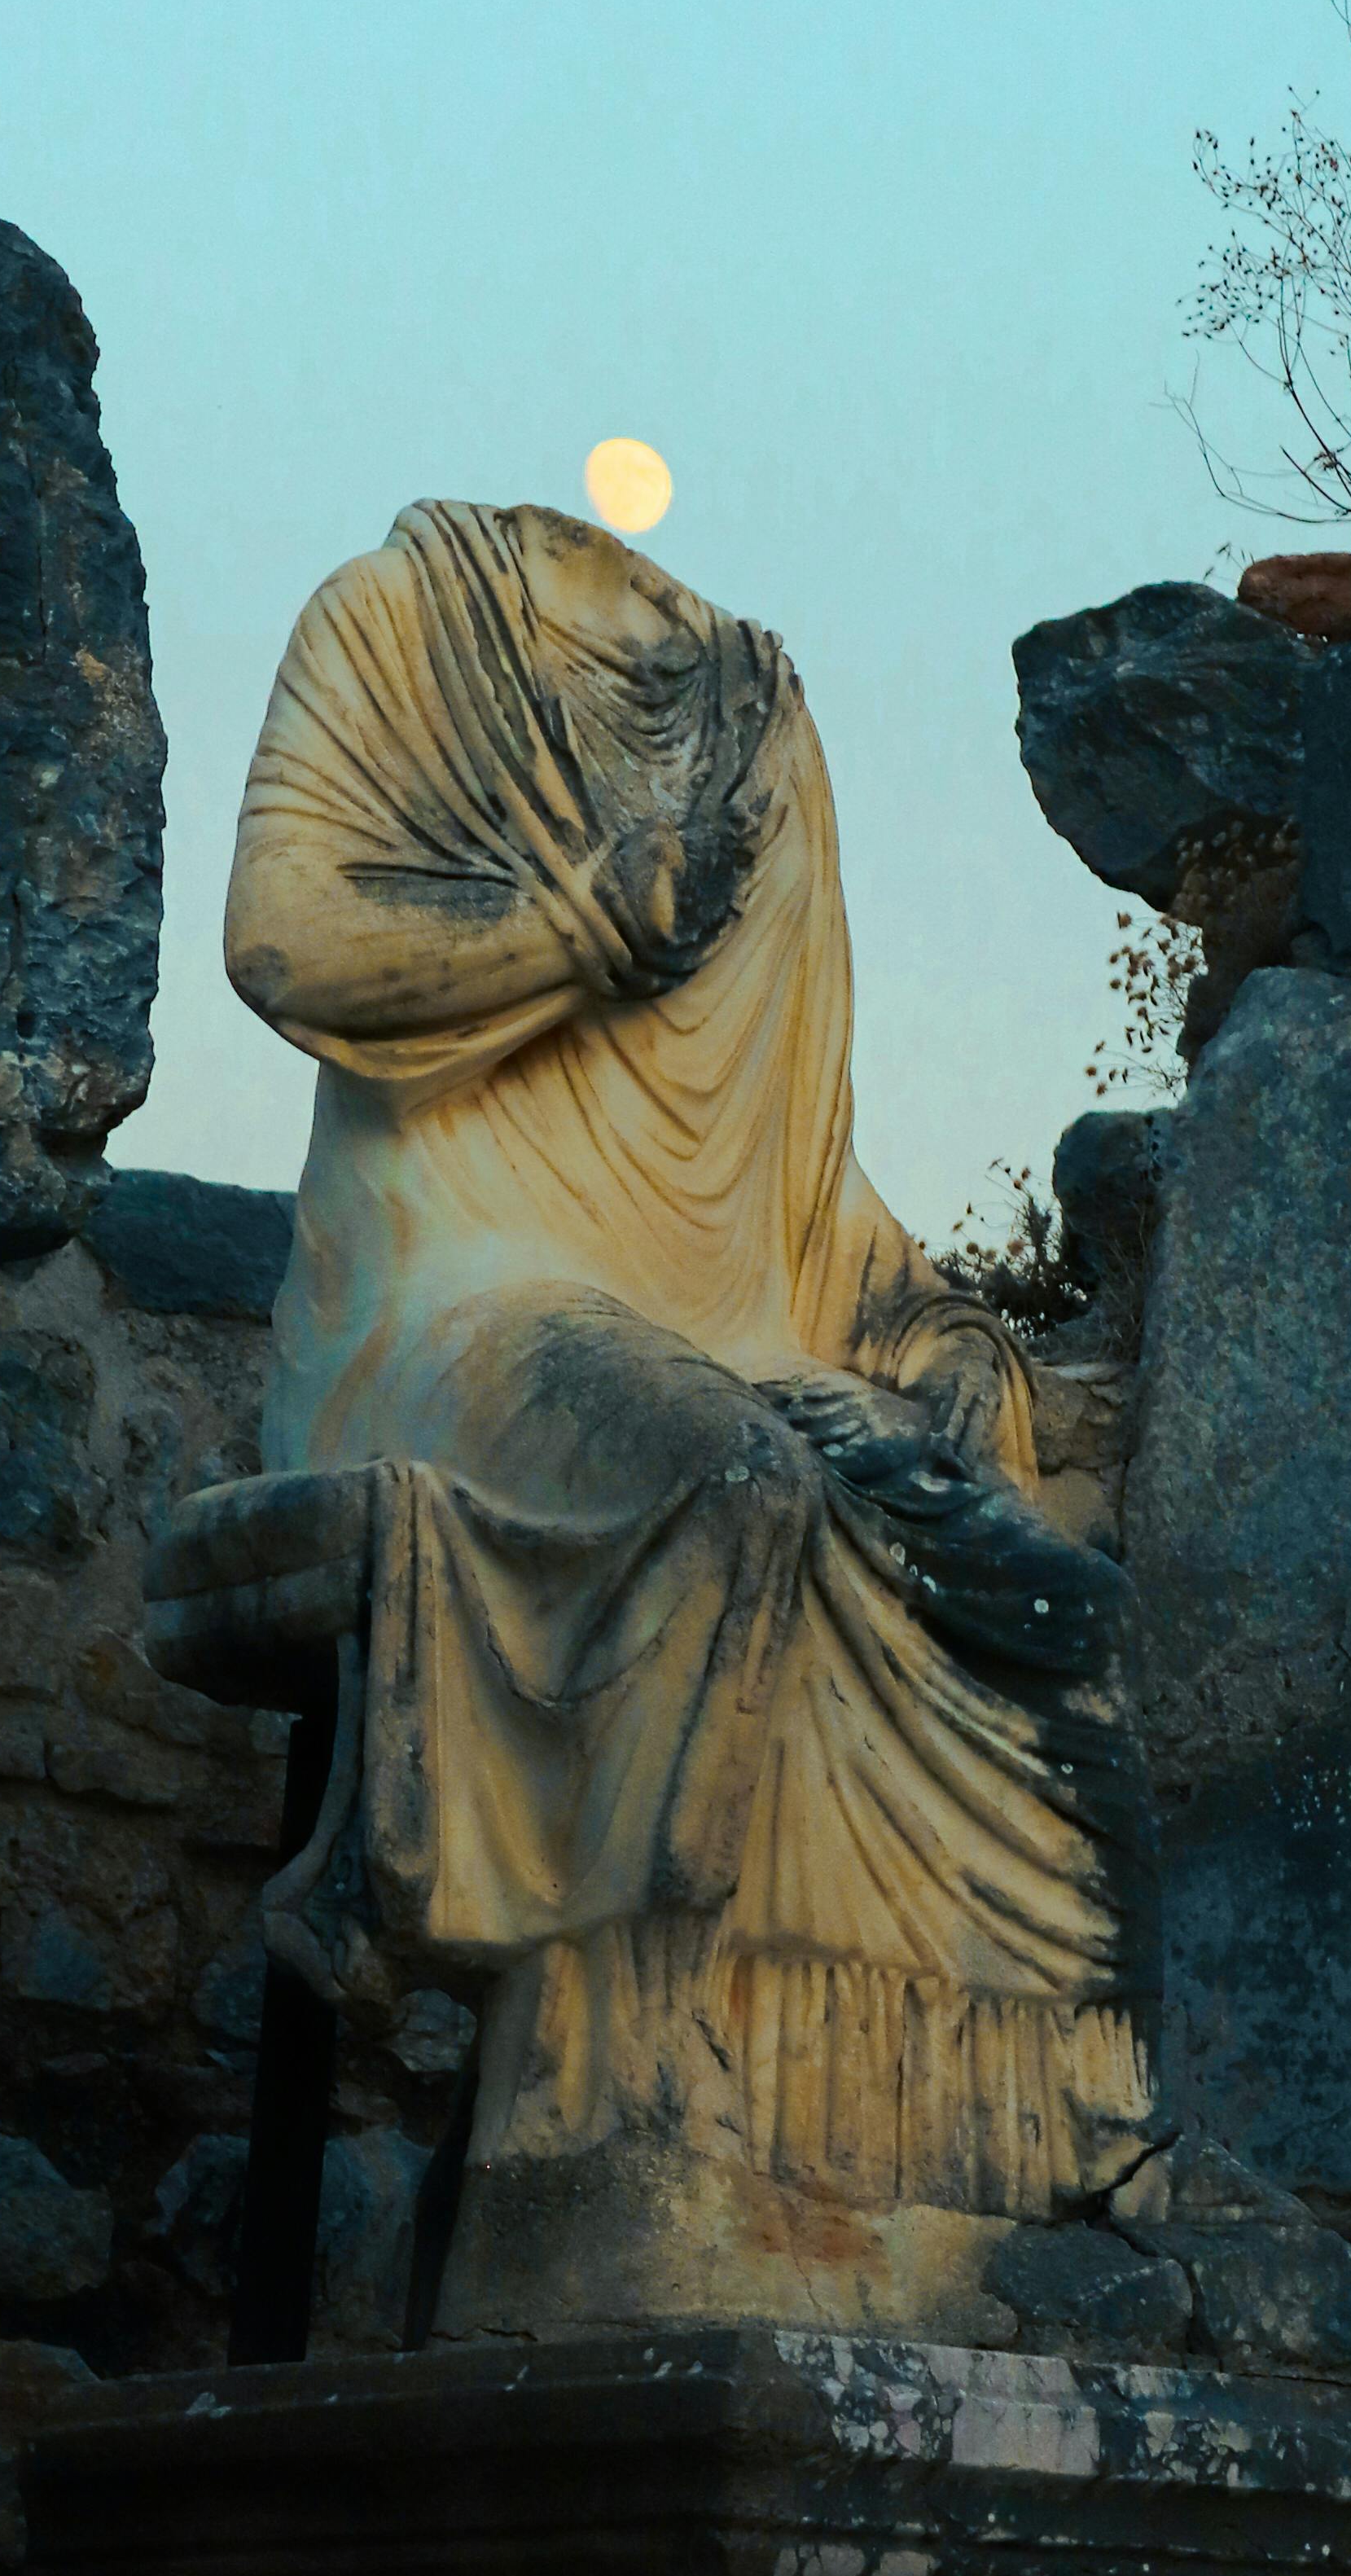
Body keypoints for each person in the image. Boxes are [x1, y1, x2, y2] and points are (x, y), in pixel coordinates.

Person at [178, 494, 1158, 2328]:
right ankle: (605, 2138)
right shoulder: (409, 617)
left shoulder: (760, 720)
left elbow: (794, 1184)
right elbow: (284, 944)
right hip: (451, 1296)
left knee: (1050, 1615)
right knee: (730, 1489)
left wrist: (918, 1324)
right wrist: (576, 924)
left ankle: (990, 2168)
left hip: (732, 1330)